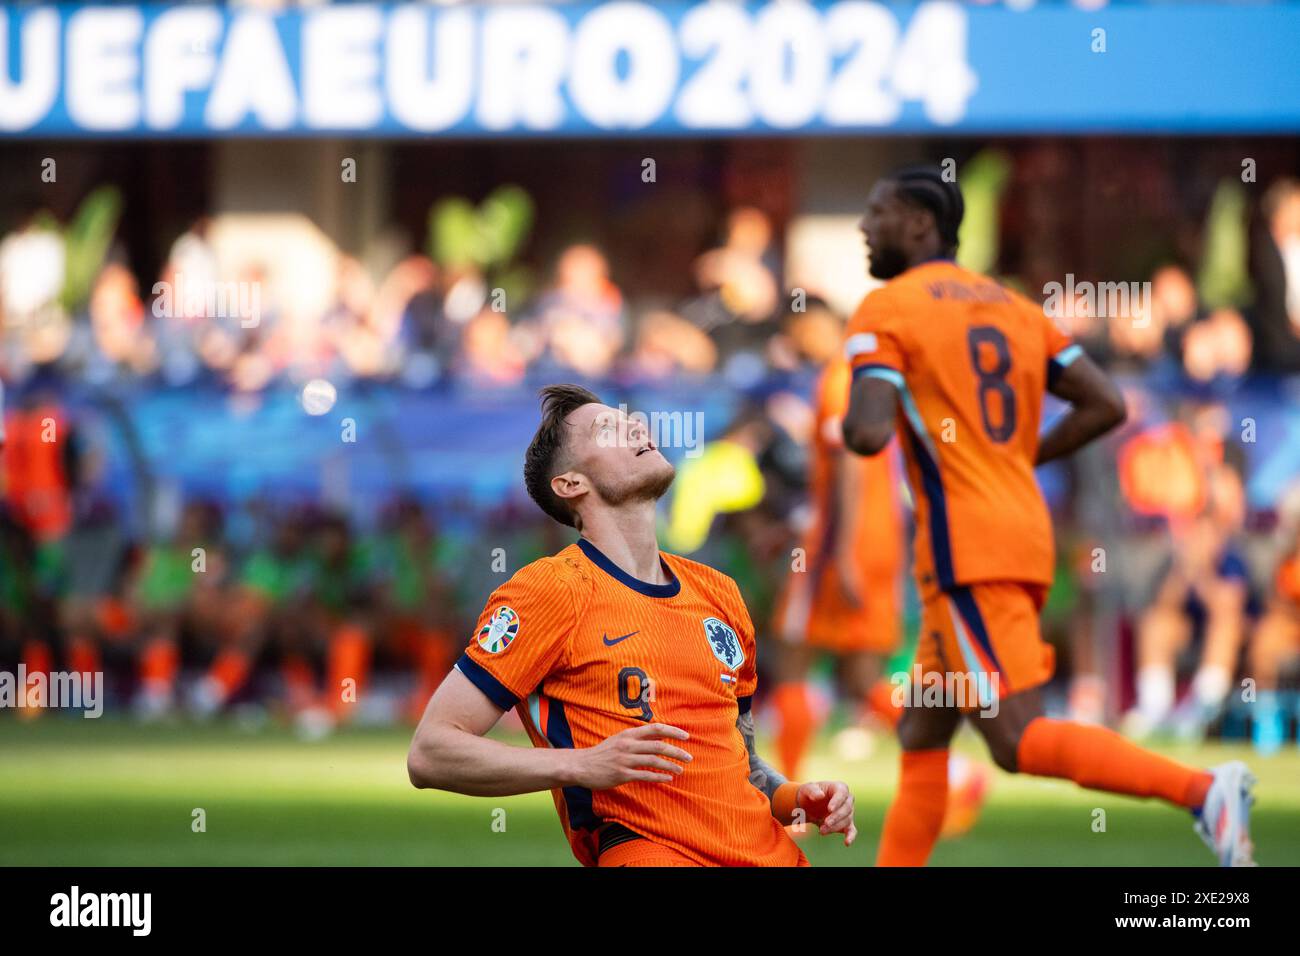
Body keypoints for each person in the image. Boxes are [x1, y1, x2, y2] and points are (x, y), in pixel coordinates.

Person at [841, 165, 1256, 867]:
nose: (863, 227)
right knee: (922, 733)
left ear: (919, 224)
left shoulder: (886, 310)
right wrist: (1017, 454)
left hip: (965, 551)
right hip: (1018, 531)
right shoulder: (1014, 307)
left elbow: (867, 433)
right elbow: (1108, 404)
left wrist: (853, 401)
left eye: (877, 213)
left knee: (1014, 739)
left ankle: (1201, 789)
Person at [407, 385, 856, 866]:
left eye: (630, 421)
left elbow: (741, 766)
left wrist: (792, 798)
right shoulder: (551, 591)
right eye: (608, 428)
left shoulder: (718, 593)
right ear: (570, 484)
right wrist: (582, 765)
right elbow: (431, 751)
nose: (636, 427)